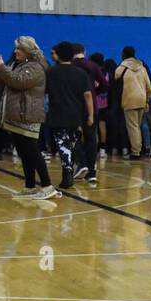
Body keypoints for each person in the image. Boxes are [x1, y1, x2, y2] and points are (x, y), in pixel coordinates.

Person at [0, 35, 58, 199]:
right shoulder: (21, 65)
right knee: (24, 152)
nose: (15, 52)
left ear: (28, 51)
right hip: (19, 116)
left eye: (19, 49)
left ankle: (47, 185)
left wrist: (1, 69)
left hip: (28, 115)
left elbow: (18, 82)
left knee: (33, 151)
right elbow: (7, 84)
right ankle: (30, 186)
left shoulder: (36, 67)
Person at [47, 41, 94, 191]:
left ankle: (67, 171)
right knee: (73, 144)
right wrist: (91, 115)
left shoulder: (51, 72)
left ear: (59, 55)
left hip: (57, 113)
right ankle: (71, 168)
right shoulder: (80, 73)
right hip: (76, 115)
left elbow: (44, 93)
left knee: (62, 144)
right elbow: (87, 95)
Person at [70, 44, 103, 187]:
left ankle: (81, 162)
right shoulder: (93, 66)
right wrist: (96, 89)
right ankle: (92, 172)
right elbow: (106, 84)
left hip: (74, 106)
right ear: (84, 52)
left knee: (72, 136)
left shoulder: (70, 66)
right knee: (91, 139)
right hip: (92, 107)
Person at [115, 46, 151, 158]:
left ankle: (135, 152)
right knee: (138, 125)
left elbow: (116, 78)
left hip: (129, 99)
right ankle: (139, 149)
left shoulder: (121, 68)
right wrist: (147, 101)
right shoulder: (142, 68)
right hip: (141, 99)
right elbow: (149, 87)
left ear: (123, 55)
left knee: (133, 127)